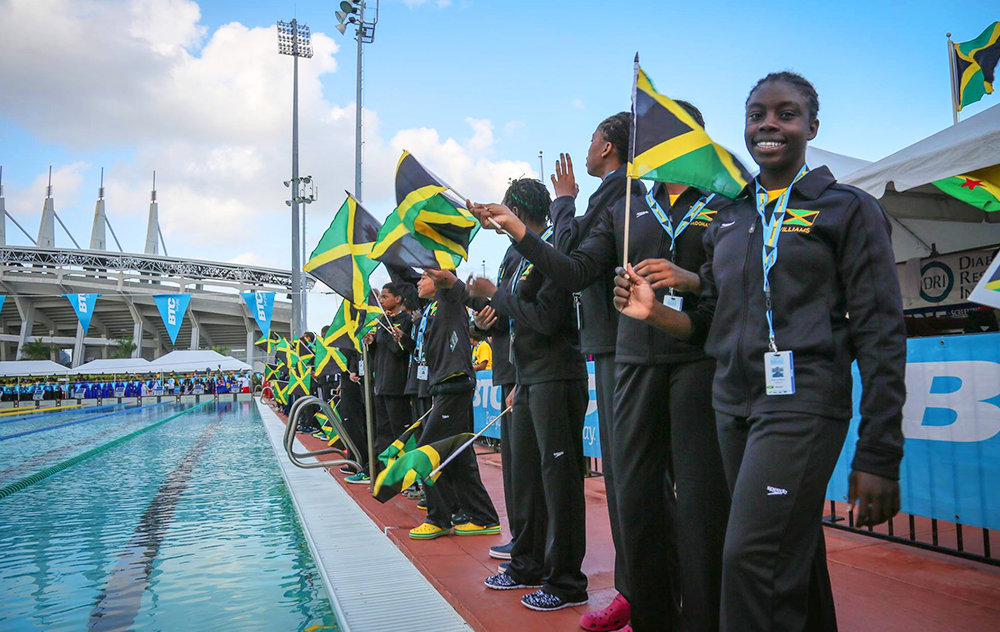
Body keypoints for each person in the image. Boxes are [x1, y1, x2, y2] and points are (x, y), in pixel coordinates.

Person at [611, 71, 905, 632]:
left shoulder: (847, 208)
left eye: (786, 113)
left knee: (750, 560)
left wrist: (880, 453)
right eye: (756, 115)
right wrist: (654, 312)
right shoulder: (732, 218)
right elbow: (707, 325)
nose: (769, 124)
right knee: (789, 557)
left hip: (802, 405)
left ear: (811, 125)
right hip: (731, 409)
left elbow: (881, 333)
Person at [471, 102, 734, 631]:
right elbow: (577, 267)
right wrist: (522, 235)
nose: (588, 146)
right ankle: (642, 596)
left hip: (681, 356)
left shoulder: (716, 198)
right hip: (629, 355)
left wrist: (560, 208)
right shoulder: (627, 204)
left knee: (692, 498)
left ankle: (690, 604)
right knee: (631, 491)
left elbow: (731, 280)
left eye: (595, 137)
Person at [468, 178, 590, 612]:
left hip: (557, 377)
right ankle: (528, 565)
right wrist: (518, 379)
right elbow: (518, 321)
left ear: (518, 209)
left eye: (505, 209)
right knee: (529, 480)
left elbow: (544, 318)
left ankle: (567, 583)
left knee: (560, 485)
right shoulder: (520, 256)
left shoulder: (552, 250)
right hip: (531, 379)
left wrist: (497, 297)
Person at [408, 268, 501, 540]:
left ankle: (438, 518)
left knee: (427, 451)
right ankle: (482, 517)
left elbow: (440, 266)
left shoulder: (448, 298)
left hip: (455, 383)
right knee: (459, 456)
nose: (418, 282)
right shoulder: (431, 310)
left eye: (424, 277)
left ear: (440, 279)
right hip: (443, 385)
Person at [473, 241, 524, 564]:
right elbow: (505, 316)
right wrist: (482, 322)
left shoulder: (535, 252)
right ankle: (521, 537)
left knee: (527, 468)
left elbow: (531, 314)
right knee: (514, 465)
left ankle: (532, 545)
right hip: (511, 371)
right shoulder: (510, 254)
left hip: (527, 372)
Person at [362, 283, 415, 476]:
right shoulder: (381, 323)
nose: (382, 301)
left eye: (385, 297)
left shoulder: (406, 321)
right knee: (382, 432)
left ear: (398, 299)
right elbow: (379, 355)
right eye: (381, 297)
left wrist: (388, 331)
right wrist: (372, 343)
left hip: (397, 385)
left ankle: (405, 474)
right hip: (381, 384)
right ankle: (386, 472)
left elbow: (401, 352)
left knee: (399, 433)